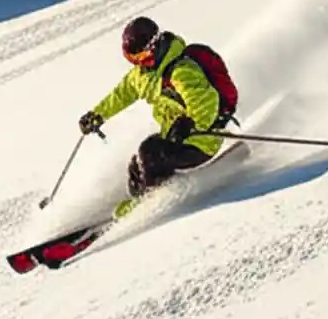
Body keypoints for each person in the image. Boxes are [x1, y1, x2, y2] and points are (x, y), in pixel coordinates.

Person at [78, 16, 237, 216]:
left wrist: (190, 122)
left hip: (201, 138)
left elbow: (206, 101)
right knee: (137, 164)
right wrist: (98, 115)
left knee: (150, 152)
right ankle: (142, 199)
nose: (141, 63)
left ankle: (151, 203)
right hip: (175, 135)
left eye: (144, 56)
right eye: (134, 59)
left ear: (155, 45)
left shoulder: (180, 70)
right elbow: (122, 94)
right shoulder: (142, 75)